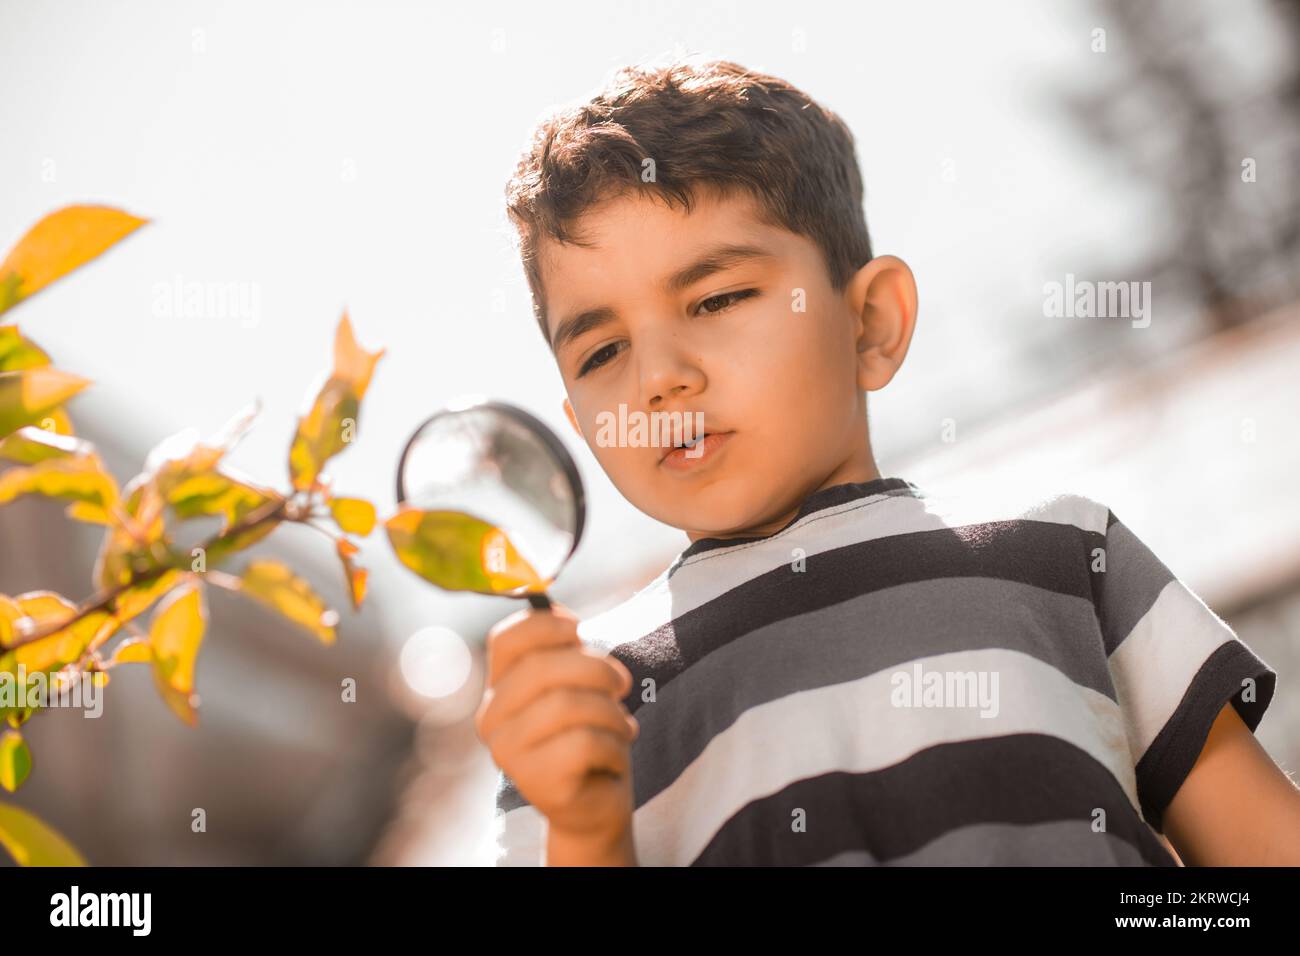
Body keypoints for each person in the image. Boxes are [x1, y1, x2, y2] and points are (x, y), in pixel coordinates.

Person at [473, 57, 1298, 866]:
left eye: (717, 298)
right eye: (604, 351)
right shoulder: (583, 700)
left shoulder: (1067, 552)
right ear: (578, 424)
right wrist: (584, 831)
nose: (658, 378)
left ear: (871, 322)